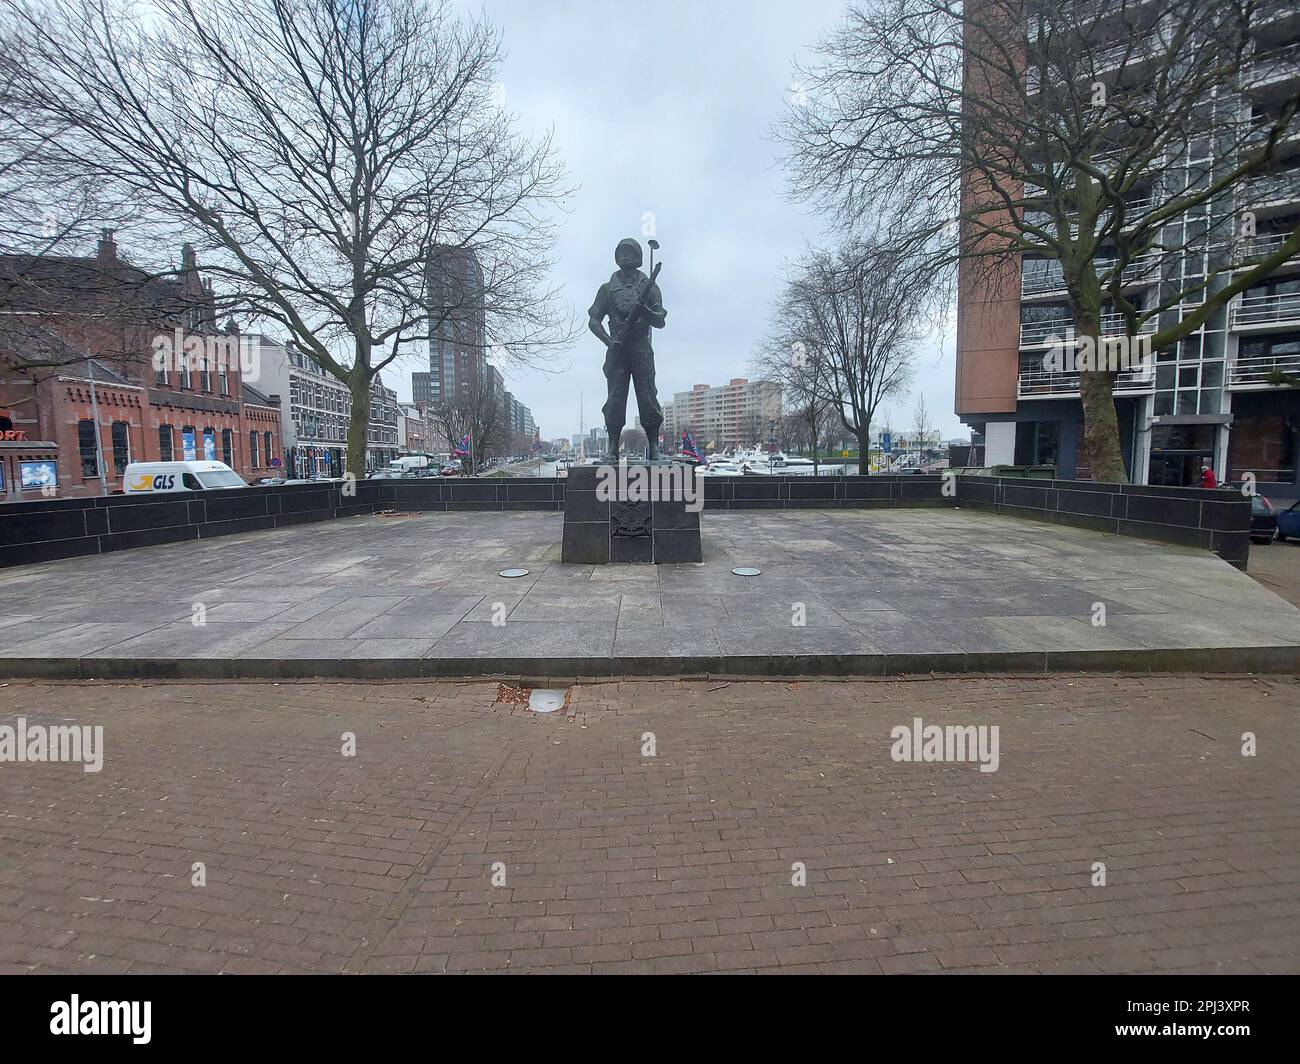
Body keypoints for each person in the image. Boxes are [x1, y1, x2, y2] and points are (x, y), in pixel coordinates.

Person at [588, 237, 666, 460]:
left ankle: (654, 447)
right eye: (621, 252)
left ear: (638, 257)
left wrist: (645, 311)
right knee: (615, 399)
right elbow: (594, 320)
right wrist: (608, 341)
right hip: (618, 351)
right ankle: (613, 446)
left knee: (648, 398)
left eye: (630, 252)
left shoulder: (649, 286)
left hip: (641, 348)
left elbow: (660, 319)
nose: (625, 256)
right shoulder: (607, 289)